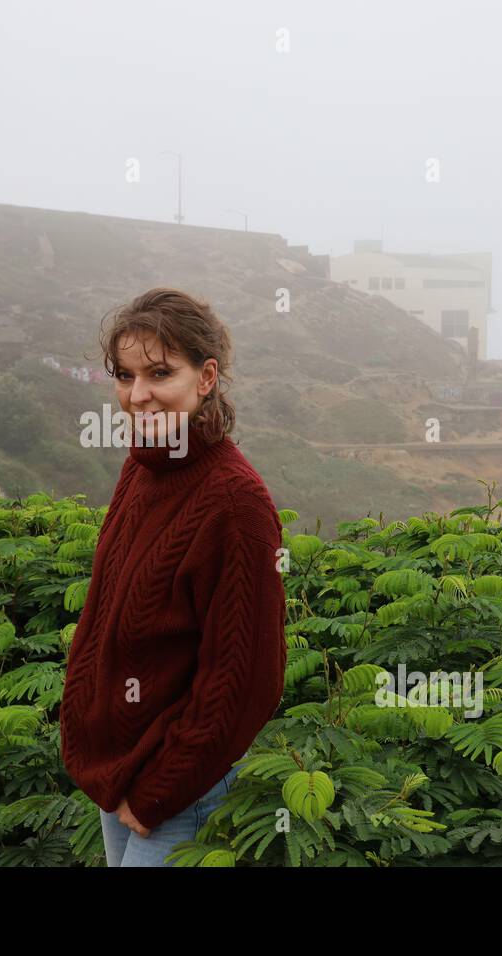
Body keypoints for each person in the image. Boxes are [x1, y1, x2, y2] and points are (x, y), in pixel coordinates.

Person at [59, 287, 289, 867]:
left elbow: (246, 679)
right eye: (125, 375)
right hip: (118, 774)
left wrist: (161, 789)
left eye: (160, 373)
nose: (138, 396)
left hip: (179, 790)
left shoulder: (235, 503)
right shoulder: (142, 469)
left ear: (206, 377)